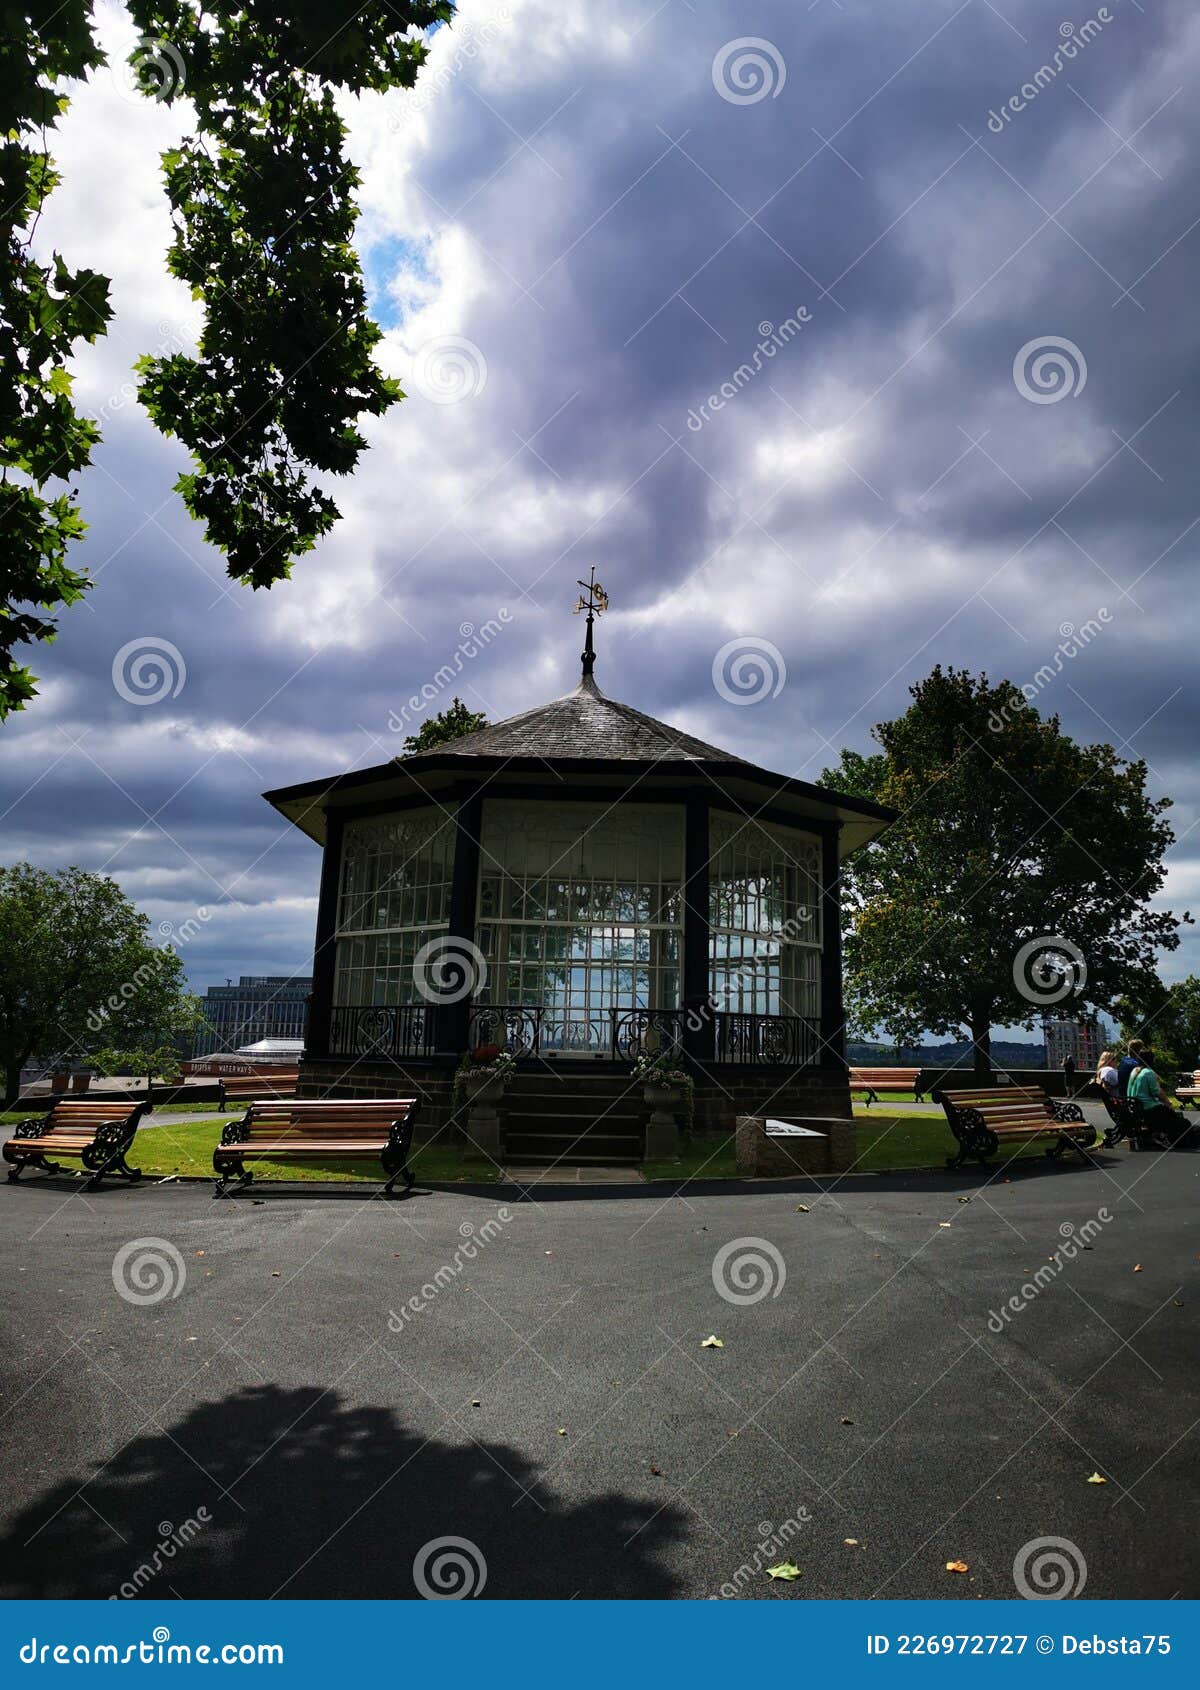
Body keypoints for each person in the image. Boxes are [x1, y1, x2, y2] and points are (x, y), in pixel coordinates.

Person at [1126, 1052, 1197, 1151]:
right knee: (1178, 1119)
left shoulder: (1134, 1071)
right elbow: (1157, 1092)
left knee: (1173, 1116)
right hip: (1149, 1109)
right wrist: (1168, 1103)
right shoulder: (1148, 1073)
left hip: (1137, 1108)